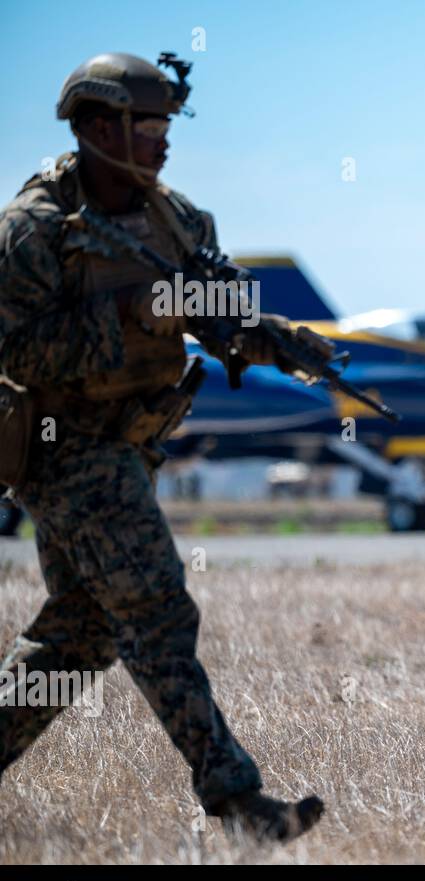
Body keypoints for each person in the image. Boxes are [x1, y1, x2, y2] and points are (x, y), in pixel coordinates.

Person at [0, 52, 323, 841]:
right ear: (98, 128)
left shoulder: (178, 218)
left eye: (166, 126)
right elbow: (17, 352)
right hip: (64, 446)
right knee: (156, 611)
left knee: (80, 634)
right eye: (149, 127)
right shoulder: (36, 229)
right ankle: (239, 803)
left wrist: (274, 339)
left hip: (134, 445)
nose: (164, 143)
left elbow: (213, 312)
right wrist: (136, 313)